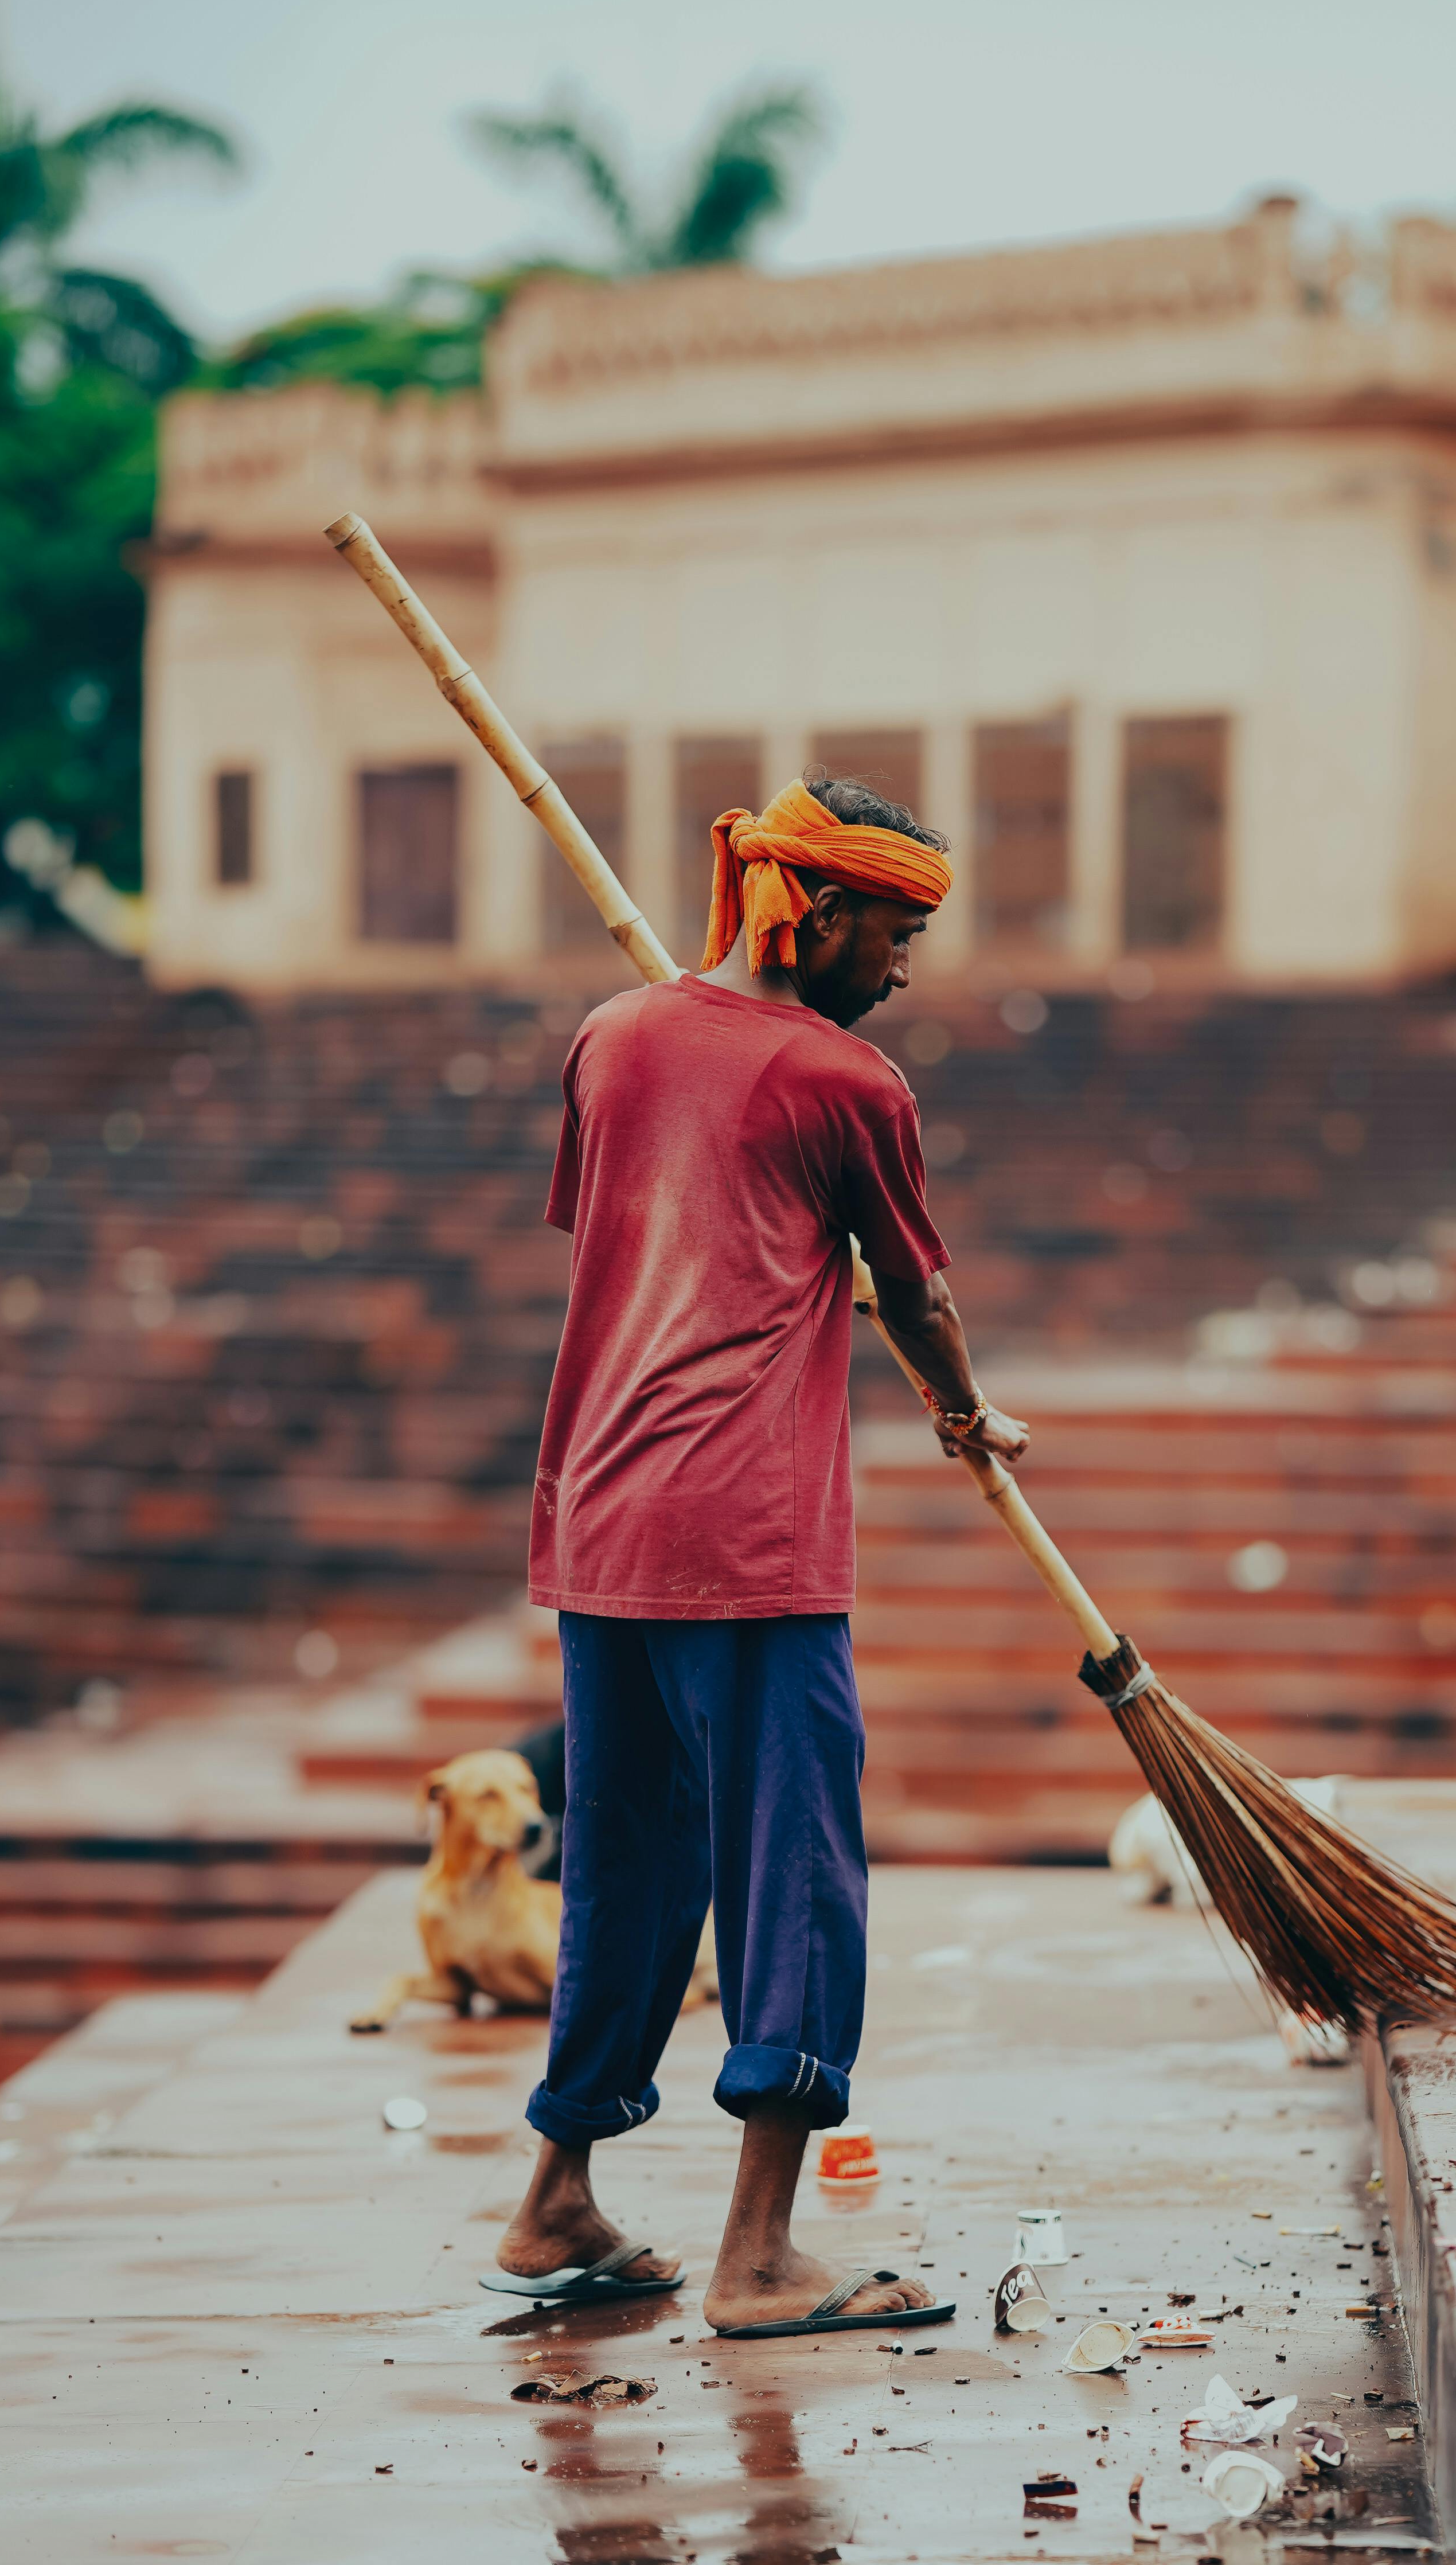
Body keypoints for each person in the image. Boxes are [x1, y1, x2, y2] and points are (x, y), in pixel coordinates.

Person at [486, 773, 1029, 2338]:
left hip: (600, 1520)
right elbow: (917, 1300)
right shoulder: (843, 1082)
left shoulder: (612, 1038)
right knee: (790, 1877)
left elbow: (638, 1223)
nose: (906, 966)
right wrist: (966, 1412)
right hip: (745, 1534)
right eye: (897, 930)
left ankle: (554, 2204)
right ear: (821, 911)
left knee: (627, 1869)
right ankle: (759, 2256)